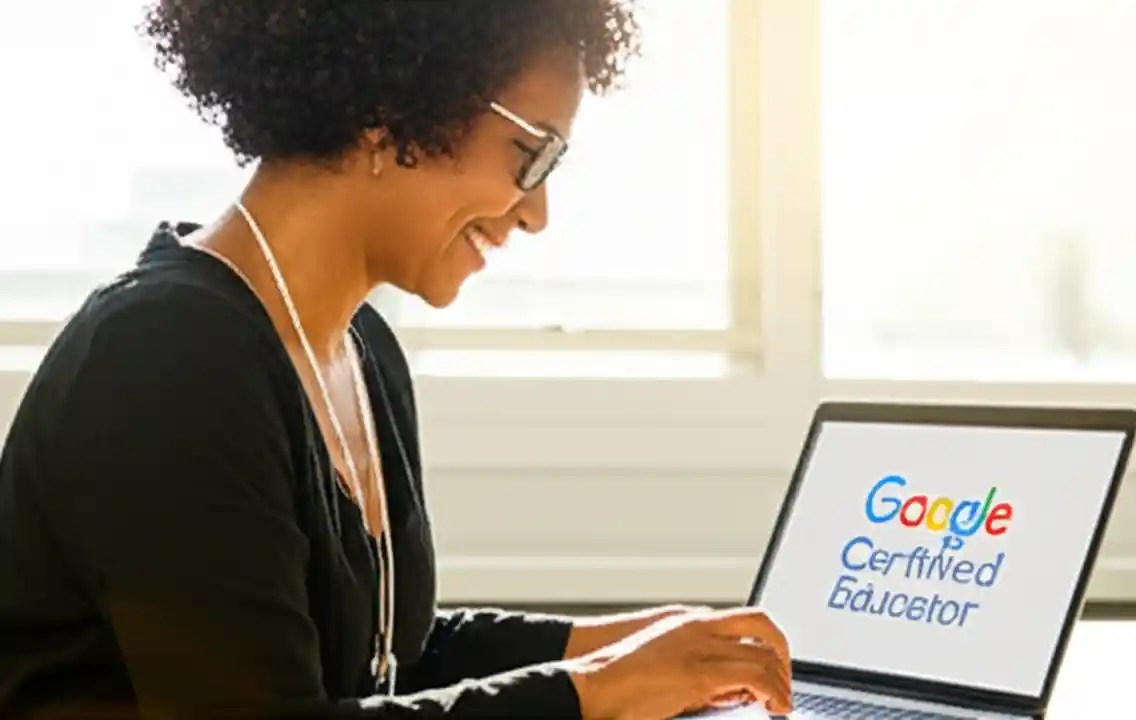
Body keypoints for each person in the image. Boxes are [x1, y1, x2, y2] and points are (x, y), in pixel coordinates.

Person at [0, 1, 794, 719]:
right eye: (532, 155)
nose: (538, 212)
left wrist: (618, 646)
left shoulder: (360, 349)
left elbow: (387, 664)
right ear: (387, 114)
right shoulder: (166, 361)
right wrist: (596, 691)